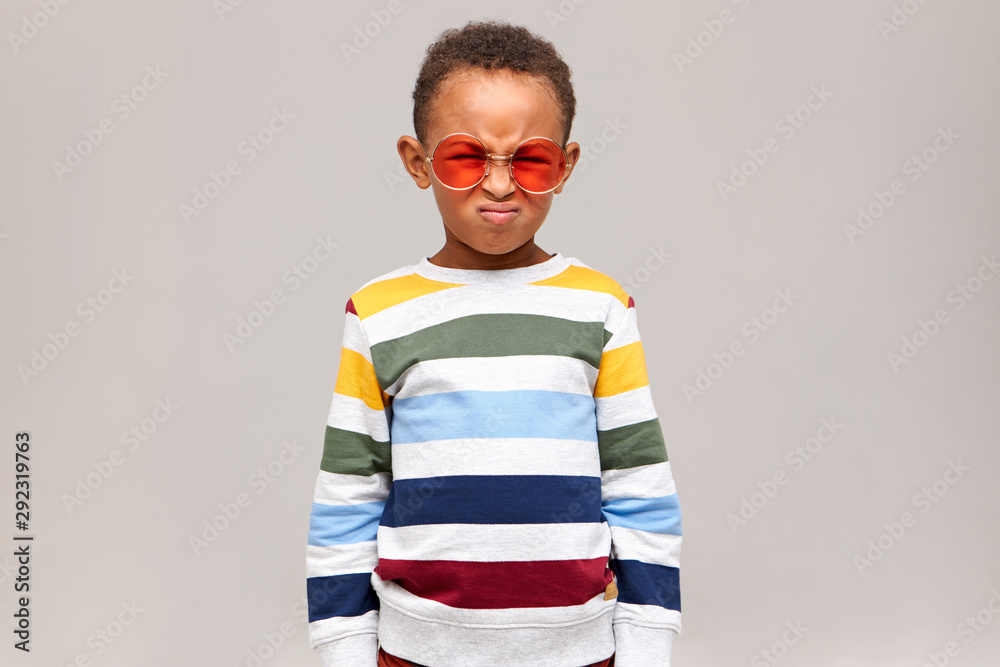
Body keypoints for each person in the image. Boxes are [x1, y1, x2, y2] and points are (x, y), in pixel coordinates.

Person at [305, 19, 681, 667]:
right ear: (418, 162)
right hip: (415, 649)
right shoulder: (378, 312)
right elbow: (348, 494)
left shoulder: (602, 308)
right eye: (467, 157)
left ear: (564, 167)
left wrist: (647, 645)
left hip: (579, 649)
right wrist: (343, 647)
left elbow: (639, 486)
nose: (501, 185)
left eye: (530, 160)